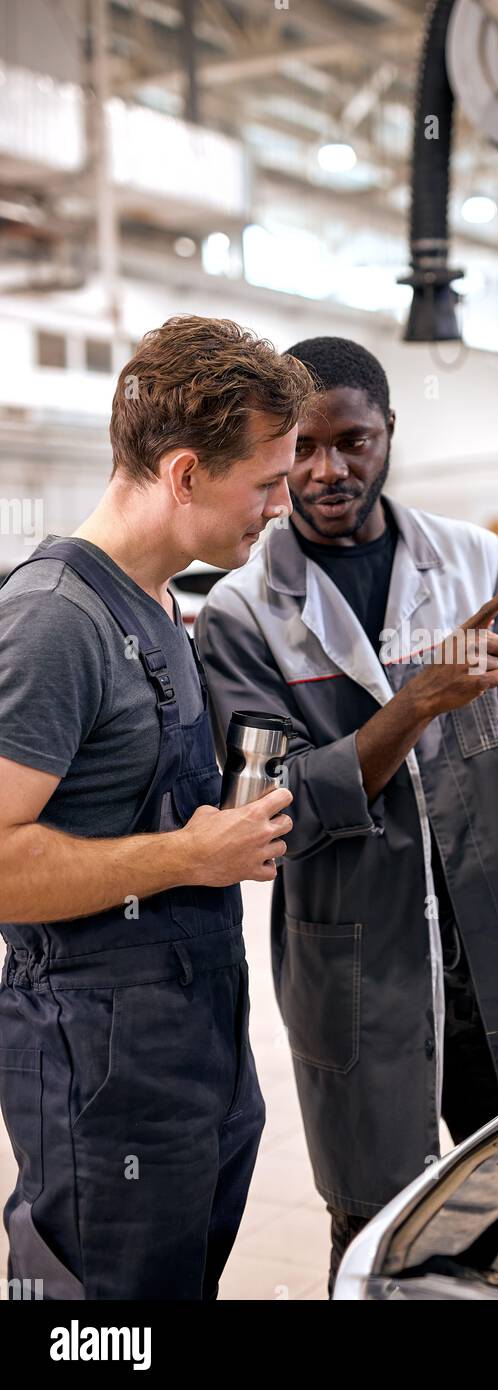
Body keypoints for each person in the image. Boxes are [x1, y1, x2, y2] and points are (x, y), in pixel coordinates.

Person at [195, 337, 498, 1296]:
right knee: (378, 1215)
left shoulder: (474, 562)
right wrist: (417, 701)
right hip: (357, 963)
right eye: (302, 448)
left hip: (487, 937)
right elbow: (272, 806)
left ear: (389, 435)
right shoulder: (245, 611)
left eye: (355, 442)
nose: (328, 471)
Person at [0, 316, 308, 1299]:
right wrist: (186, 856)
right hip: (98, 1060)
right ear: (183, 473)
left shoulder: (161, 604)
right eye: (264, 484)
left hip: (189, 1039)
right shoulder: (56, 619)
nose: (277, 506)